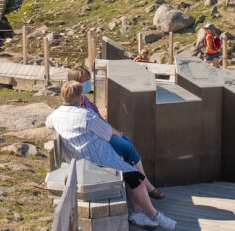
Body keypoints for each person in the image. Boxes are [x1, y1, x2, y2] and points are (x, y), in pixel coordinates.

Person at [46, 81, 174, 230]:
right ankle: (154, 215)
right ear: (81, 99)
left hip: (77, 161)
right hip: (96, 161)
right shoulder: (87, 116)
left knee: (129, 170)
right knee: (136, 177)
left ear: (63, 97)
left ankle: (138, 213)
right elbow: (107, 135)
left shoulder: (55, 115)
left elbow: (48, 123)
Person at [69, 66, 164, 200]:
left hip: (102, 135)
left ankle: (140, 187)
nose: (89, 82)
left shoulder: (85, 100)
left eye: (89, 79)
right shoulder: (78, 105)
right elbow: (93, 126)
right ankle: (147, 187)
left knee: (127, 145)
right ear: (76, 82)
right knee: (128, 148)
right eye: (86, 80)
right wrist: (112, 133)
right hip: (97, 140)